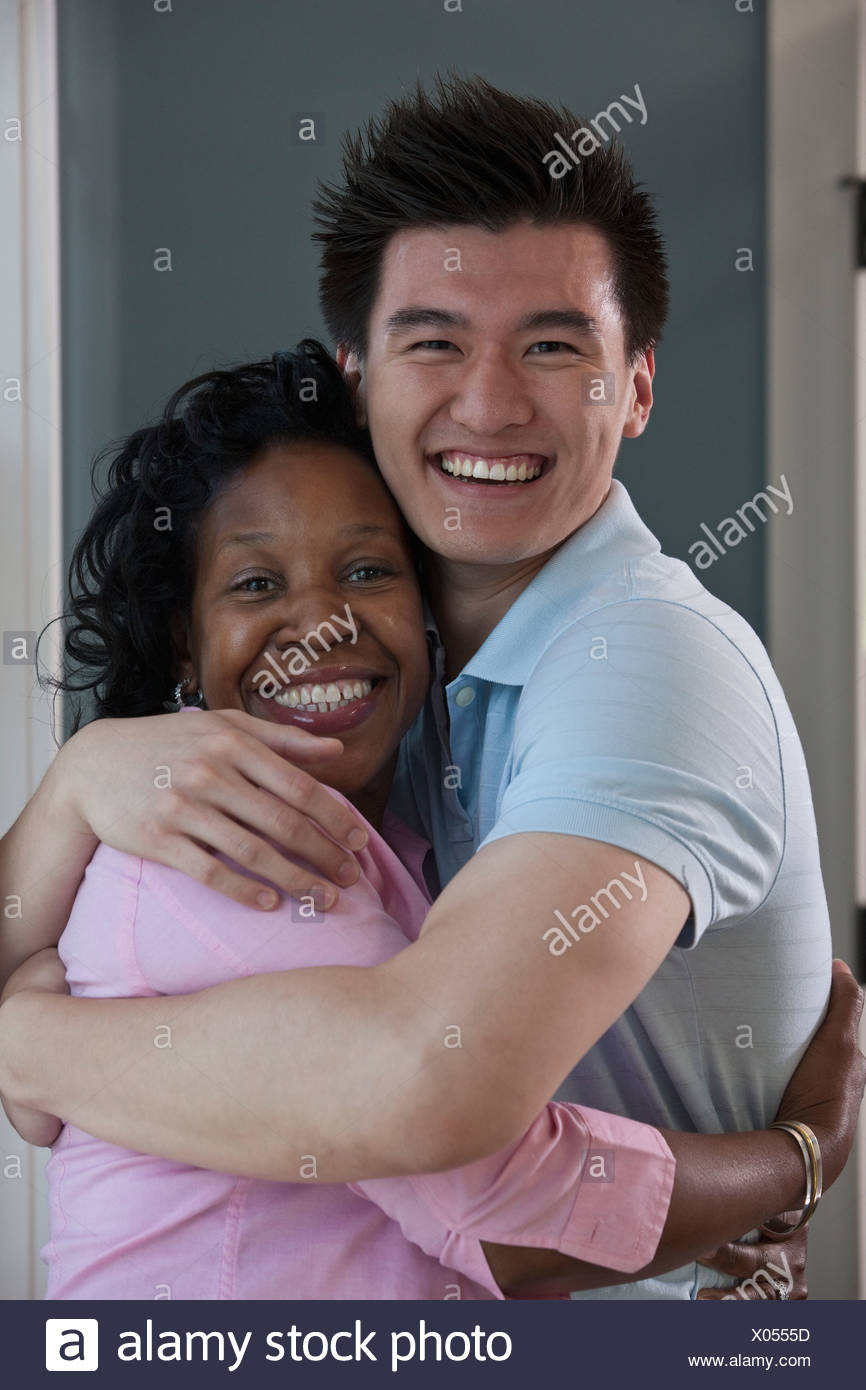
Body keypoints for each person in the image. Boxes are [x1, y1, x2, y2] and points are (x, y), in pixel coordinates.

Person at [1, 76, 864, 1301]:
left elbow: (432, 1095)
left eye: (555, 345)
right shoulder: (377, 697)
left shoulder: (647, 666)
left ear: (638, 386)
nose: (491, 401)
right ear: (361, 378)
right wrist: (79, 785)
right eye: (434, 340)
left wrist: (31, 1043)